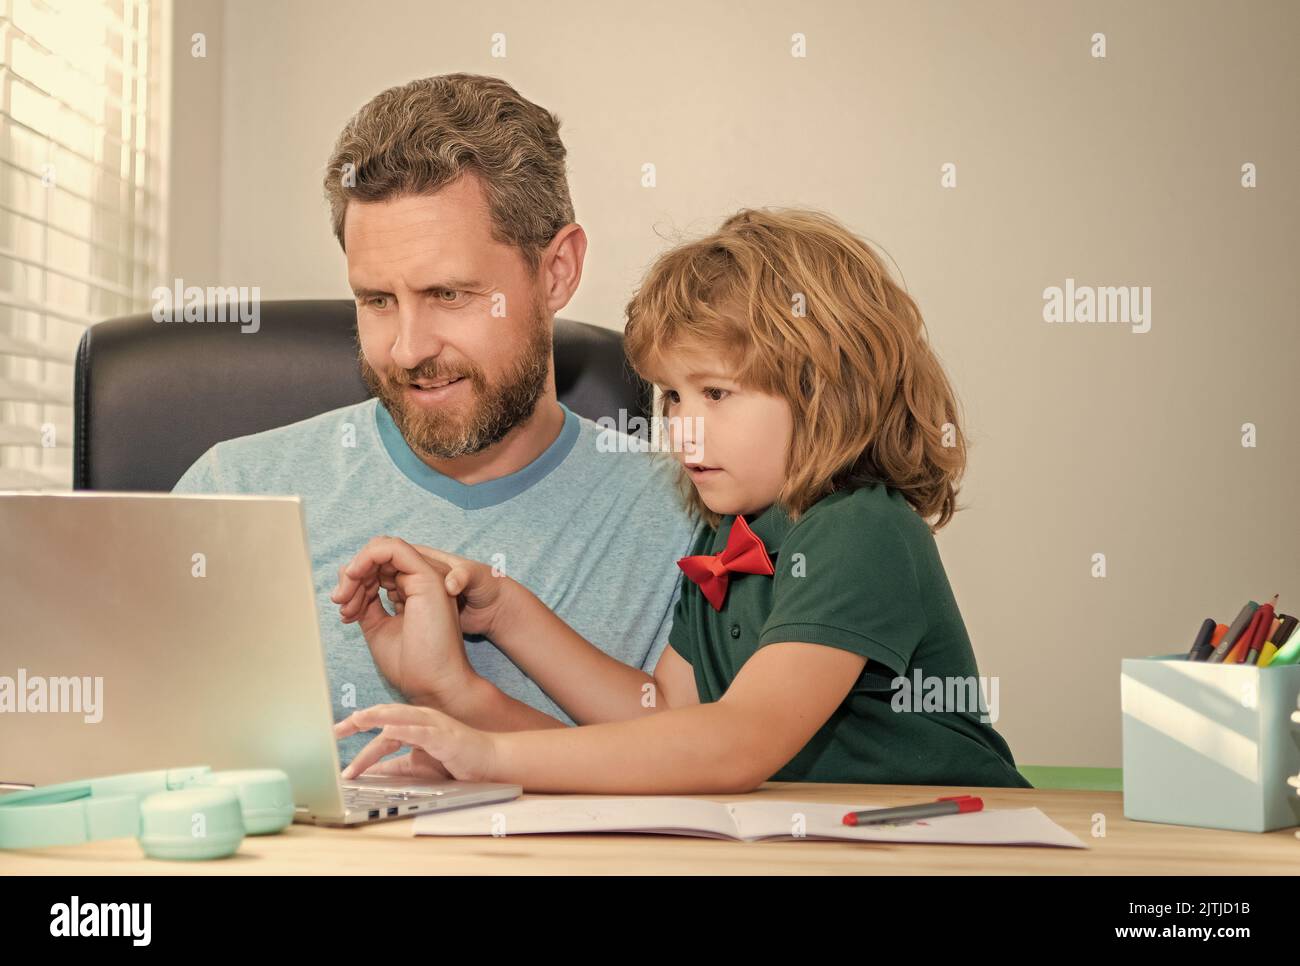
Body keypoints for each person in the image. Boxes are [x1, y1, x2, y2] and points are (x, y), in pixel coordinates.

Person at [330, 207, 1031, 791]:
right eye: (671, 395)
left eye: (717, 393)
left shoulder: (860, 530)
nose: (683, 427)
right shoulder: (730, 535)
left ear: (827, 392)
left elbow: (738, 742)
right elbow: (659, 718)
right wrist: (508, 616)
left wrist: (489, 757)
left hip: (957, 847)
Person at [172, 74, 701, 766]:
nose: (408, 349)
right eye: (377, 301)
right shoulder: (233, 492)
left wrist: (463, 699)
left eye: (448, 294)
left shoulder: (688, 512)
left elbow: (702, 784)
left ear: (557, 271)